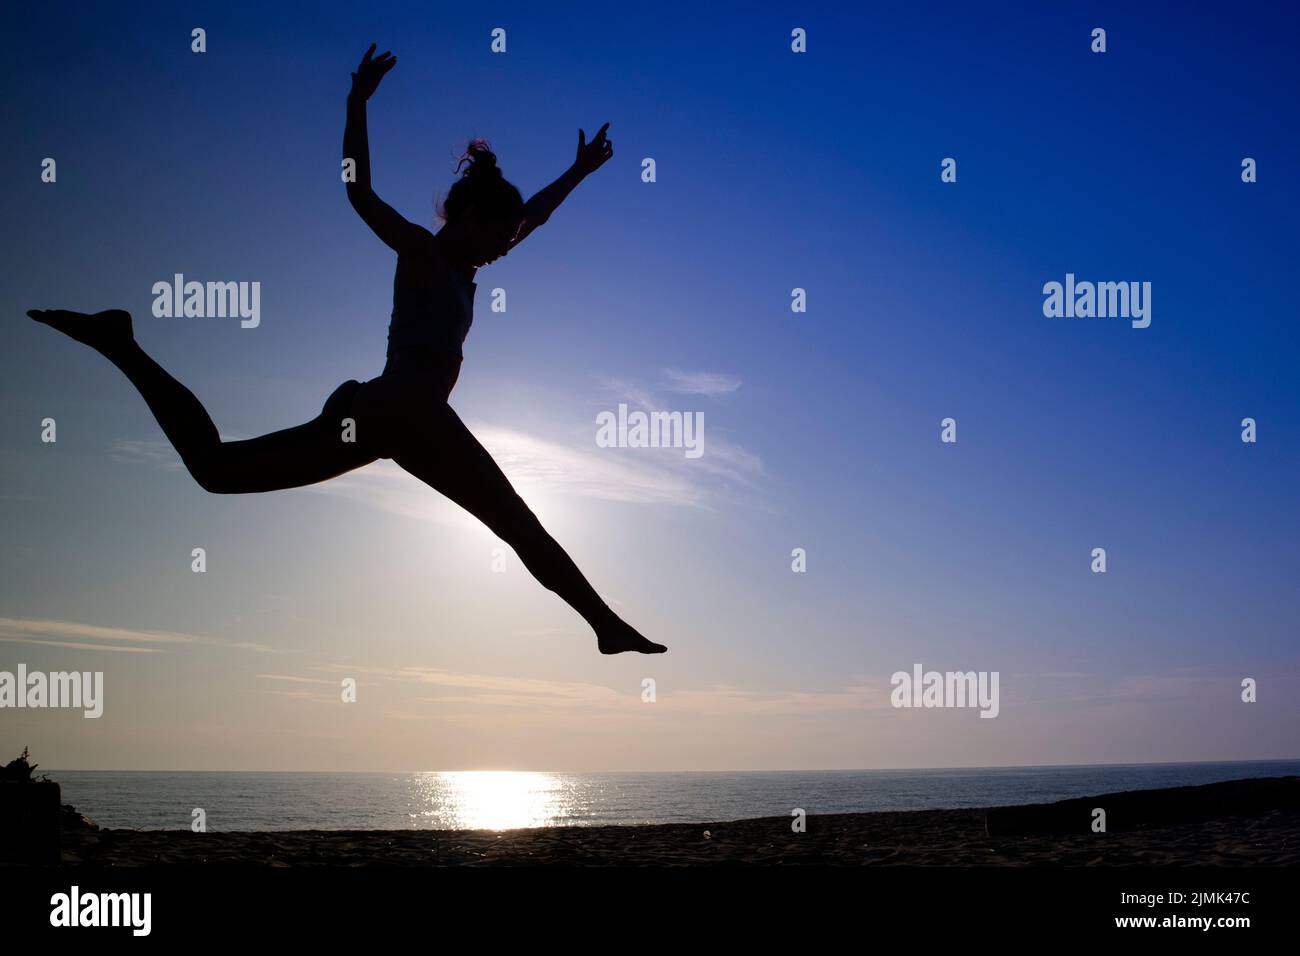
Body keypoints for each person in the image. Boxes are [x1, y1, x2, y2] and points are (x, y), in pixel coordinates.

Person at [28, 43, 667, 656]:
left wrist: (579, 172)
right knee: (222, 471)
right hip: (396, 413)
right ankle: (122, 345)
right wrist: (357, 101)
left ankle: (605, 625)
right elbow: (358, 191)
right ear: (466, 219)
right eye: (499, 234)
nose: (507, 245)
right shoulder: (424, 252)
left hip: (404, 420)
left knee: (224, 472)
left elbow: (535, 217)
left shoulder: (470, 270)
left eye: (508, 237)